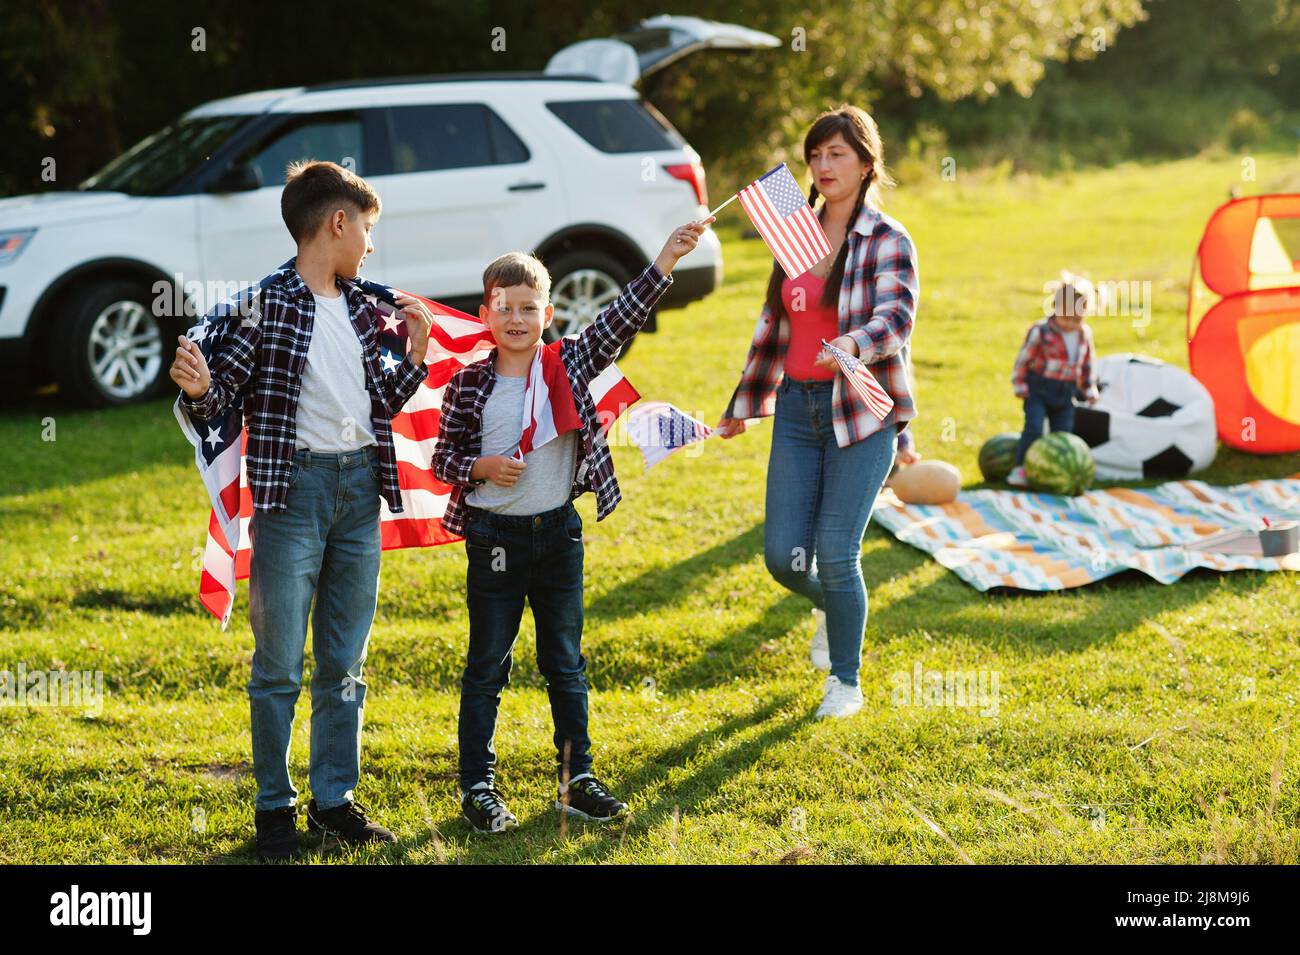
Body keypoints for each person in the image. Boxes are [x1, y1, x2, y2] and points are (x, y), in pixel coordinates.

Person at [169, 160, 436, 859]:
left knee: (344, 662)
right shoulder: (263, 305)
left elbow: (377, 401)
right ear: (338, 222)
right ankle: (274, 810)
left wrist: (414, 355)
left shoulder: (362, 304)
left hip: (358, 493)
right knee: (280, 663)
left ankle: (334, 801)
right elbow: (221, 401)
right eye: (367, 230)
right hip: (293, 496)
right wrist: (200, 389)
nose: (372, 247)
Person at [432, 217, 713, 834]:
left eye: (530, 308)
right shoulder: (468, 385)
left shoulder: (567, 364)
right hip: (494, 542)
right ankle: (478, 787)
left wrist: (666, 256)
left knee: (564, 661)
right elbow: (442, 460)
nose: (517, 319)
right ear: (485, 313)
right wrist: (480, 466)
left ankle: (576, 778)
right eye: (505, 308)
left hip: (558, 535)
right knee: (488, 664)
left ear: (549, 313)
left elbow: (621, 318)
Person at [716, 105, 919, 719]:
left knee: (836, 553)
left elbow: (897, 317)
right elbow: (775, 325)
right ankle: (837, 606)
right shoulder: (793, 230)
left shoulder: (887, 238)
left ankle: (846, 680)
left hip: (861, 410)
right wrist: (741, 407)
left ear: (865, 164)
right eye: (816, 154)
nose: (824, 165)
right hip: (798, 408)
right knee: (783, 557)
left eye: (838, 154)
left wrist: (856, 344)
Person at [1007, 272, 1100, 487]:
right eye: (1066, 317)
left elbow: (1087, 364)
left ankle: (1059, 472)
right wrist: (1019, 384)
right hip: (1039, 389)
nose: (1070, 324)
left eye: (1077, 319)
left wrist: (1089, 389)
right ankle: (1020, 469)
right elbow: (1024, 359)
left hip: (1066, 391)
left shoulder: (1084, 334)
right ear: (1055, 309)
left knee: (1063, 433)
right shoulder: (1040, 331)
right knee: (1034, 428)